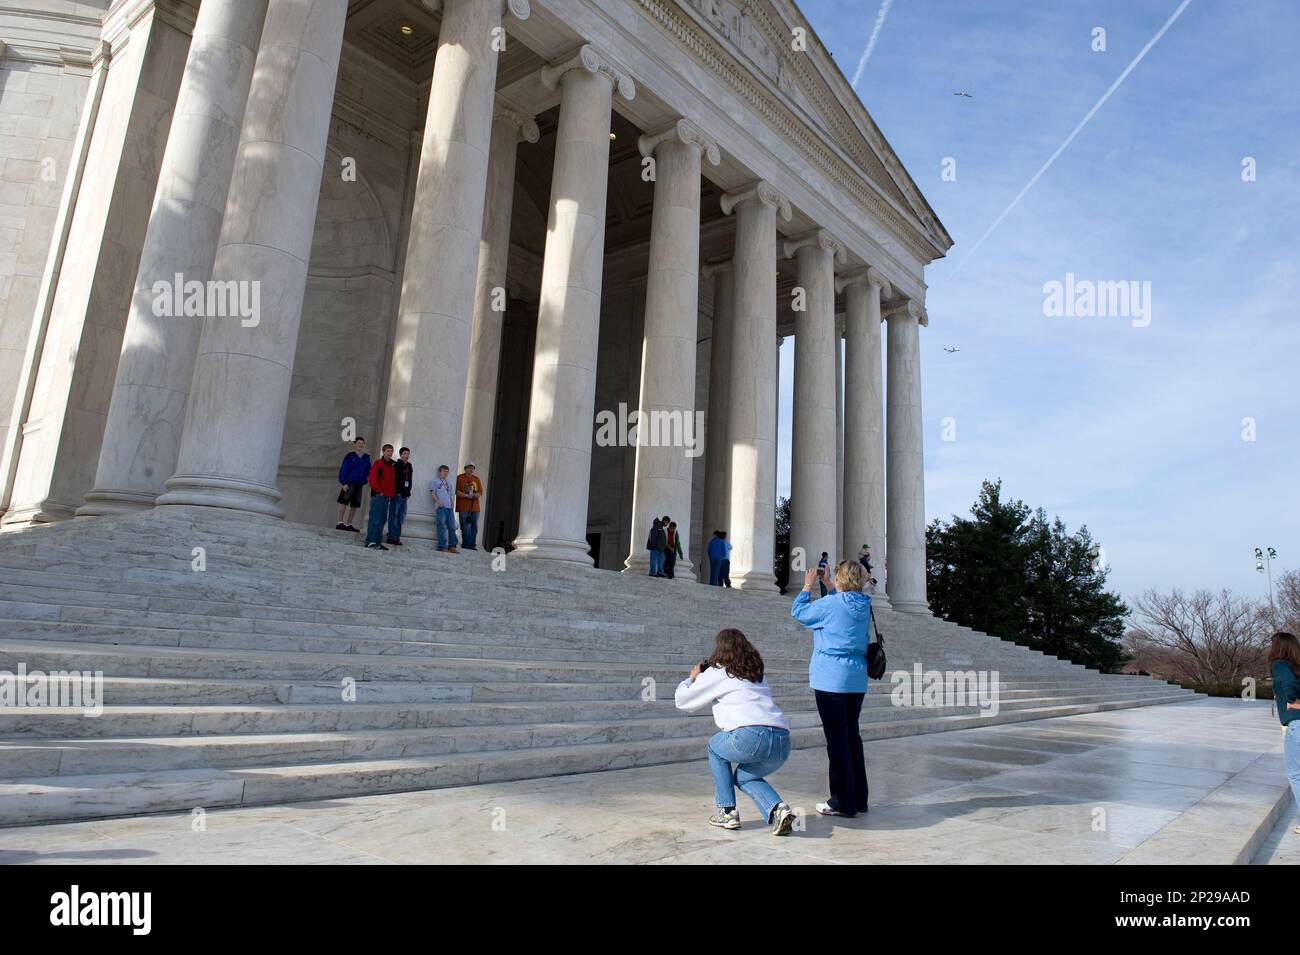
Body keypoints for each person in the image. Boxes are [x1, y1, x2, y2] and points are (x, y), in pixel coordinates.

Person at [674, 628, 796, 835]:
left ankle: (727, 812)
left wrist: (692, 679)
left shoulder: (718, 672)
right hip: (782, 741)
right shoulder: (756, 674)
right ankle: (778, 809)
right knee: (744, 778)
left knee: (715, 749)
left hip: (751, 736)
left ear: (720, 650)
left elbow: (684, 701)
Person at [791, 559, 873, 817]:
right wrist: (828, 585)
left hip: (831, 678)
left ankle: (842, 802)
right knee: (851, 738)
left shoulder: (830, 604)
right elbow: (843, 605)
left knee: (837, 742)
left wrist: (806, 586)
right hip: (856, 678)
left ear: (841, 579)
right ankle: (859, 799)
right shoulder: (864, 604)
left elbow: (800, 613)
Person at [1269, 631, 1300, 834]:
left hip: (1296, 724)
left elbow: (1288, 683)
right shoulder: (1297, 668)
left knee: (1295, 774)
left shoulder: (1280, 664)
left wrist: (1291, 700)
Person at [364, 444, 397, 550]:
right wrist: (379, 491)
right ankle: (370, 541)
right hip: (378, 496)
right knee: (375, 519)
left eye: (391, 451)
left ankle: (378, 541)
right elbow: (372, 479)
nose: (390, 453)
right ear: (383, 452)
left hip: (387, 497)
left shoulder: (392, 465)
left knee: (382, 519)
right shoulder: (378, 463)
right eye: (388, 451)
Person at [335, 437, 369, 531]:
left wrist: (367, 479)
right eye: (358, 443)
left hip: (359, 483)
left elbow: (368, 471)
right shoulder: (350, 456)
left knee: (355, 504)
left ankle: (349, 524)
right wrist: (343, 482)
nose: (360, 445)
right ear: (355, 444)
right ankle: (340, 522)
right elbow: (344, 469)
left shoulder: (366, 458)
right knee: (344, 502)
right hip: (349, 482)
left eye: (362, 443)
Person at [387, 447, 414, 546]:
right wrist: (396, 491)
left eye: (408, 453)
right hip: (397, 495)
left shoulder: (409, 466)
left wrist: (408, 493)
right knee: (393, 515)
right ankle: (391, 537)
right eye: (405, 453)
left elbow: (409, 480)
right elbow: (394, 480)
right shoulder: (396, 465)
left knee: (401, 517)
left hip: (405, 495)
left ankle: (396, 537)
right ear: (401, 455)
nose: (407, 455)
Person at [430, 465, 458, 553]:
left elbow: (451, 495)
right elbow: (433, 493)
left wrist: (452, 504)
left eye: (447, 471)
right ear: (439, 472)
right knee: (441, 526)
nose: (445, 473)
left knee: (451, 527)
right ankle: (442, 546)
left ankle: (452, 546)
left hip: (449, 508)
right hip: (440, 508)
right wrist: (438, 502)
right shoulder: (435, 482)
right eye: (444, 471)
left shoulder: (449, 483)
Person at [456, 462, 483, 550]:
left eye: (473, 468)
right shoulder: (460, 478)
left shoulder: (477, 479)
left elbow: (480, 492)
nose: (471, 470)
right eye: (469, 468)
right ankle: (466, 544)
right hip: (463, 506)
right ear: (465, 468)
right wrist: (466, 495)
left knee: (474, 525)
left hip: (475, 507)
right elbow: (456, 491)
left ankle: (472, 544)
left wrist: (477, 495)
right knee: (465, 525)